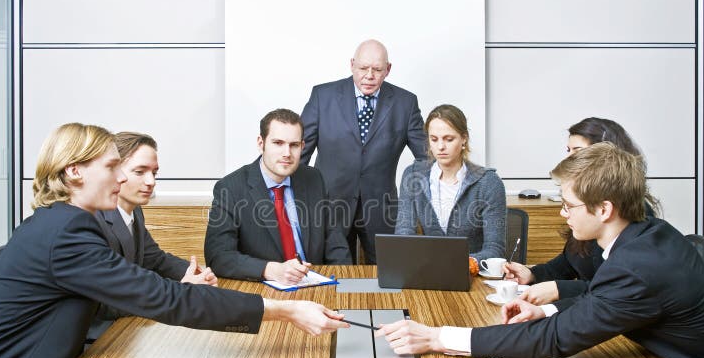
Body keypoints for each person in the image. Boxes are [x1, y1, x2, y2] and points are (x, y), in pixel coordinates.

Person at [0, 123, 348, 358]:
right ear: (74, 172)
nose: (121, 179)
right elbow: (165, 298)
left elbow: (156, 278)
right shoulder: (67, 233)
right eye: (112, 168)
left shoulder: (65, 222)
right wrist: (286, 310)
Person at [376, 143, 704, 358]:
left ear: (603, 209)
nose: (562, 213)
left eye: (568, 204)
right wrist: (549, 309)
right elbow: (600, 294)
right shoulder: (649, 234)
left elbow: (554, 341)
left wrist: (439, 337)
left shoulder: (640, 266)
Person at [503, 117, 657, 305]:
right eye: (568, 151)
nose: (569, 158)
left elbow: (616, 289)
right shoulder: (586, 203)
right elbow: (570, 261)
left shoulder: (633, 214)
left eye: (578, 151)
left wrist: (559, 289)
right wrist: (532, 274)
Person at [300, 39, 426, 263]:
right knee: (333, 278)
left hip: (381, 209)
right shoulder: (322, 96)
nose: (369, 75)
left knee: (389, 277)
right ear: (351, 65)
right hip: (330, 208)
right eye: (363, 68)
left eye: (377, 69)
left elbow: (428, 158)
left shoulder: (406, 103)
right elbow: (300, 154)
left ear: (388, 69)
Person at [88, 132, 217, 342]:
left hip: (125, 332)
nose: (151, 181)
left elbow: (155, 259)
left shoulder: (135, 211)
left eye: (154, 173)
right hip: (96, 339)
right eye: (139, 172)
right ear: (113, 171)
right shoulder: (93, 221)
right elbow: (104, 301)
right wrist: (181, 289)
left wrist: (196, 272)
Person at [204, 109, 351, 284]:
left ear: (302, 146)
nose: (287, 153)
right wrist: (270, 270)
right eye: (278, 143)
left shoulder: (314, 179)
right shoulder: (230, 188)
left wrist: (344, 287)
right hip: (262, 292)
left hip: (315, 285)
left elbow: (336, 244)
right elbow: (219, 257)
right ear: (261, 143)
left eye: (294, 145)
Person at [395, 104, 506, 262]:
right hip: (427, 271)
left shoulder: (488, 182)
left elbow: (495, 250)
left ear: (464, 139)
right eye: (434, 139)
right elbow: (403, 235)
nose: (440, 147)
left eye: (449, 139)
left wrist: (457, 263)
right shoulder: (413, 176)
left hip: (471, 275)